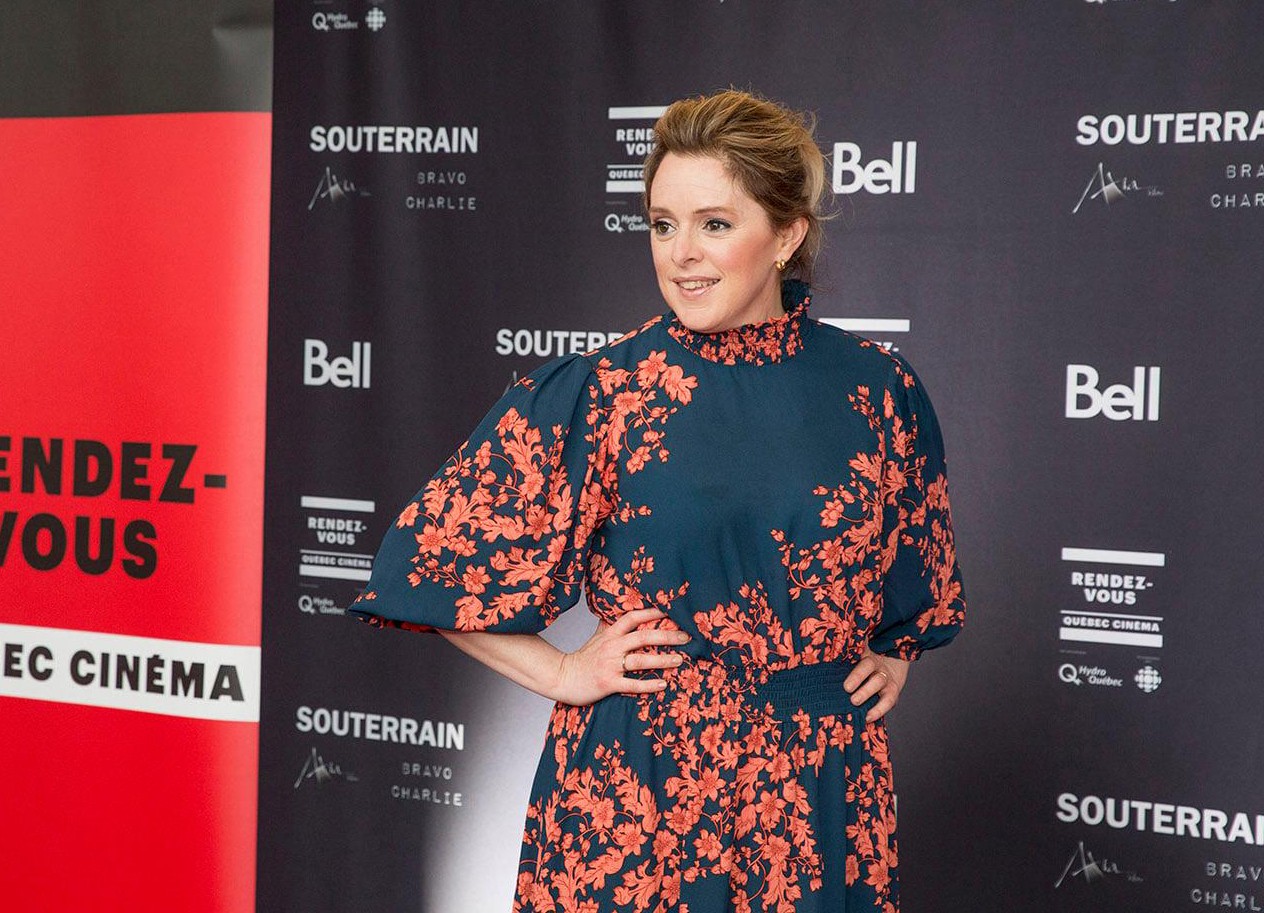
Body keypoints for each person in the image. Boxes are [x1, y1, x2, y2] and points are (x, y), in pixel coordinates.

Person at [349, 88, 966, 913]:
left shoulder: (879, 390)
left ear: (787, 234)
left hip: (818, 793)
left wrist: (894, 651)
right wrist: (566, 670)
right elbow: (426, 563)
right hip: (641, 792)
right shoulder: (603, 391)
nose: (681, 254)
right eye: (662, 224)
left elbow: (915, 581)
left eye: (714, 223)